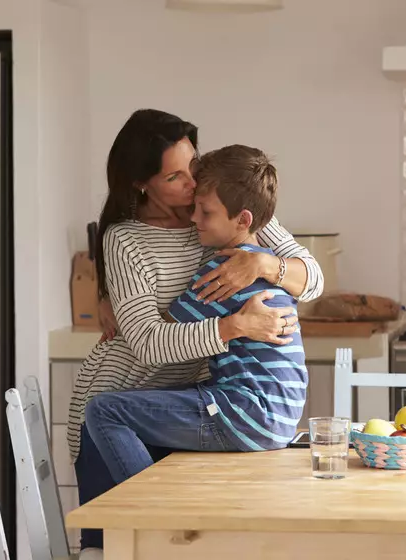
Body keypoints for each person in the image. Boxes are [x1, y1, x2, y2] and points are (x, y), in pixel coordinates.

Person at [68, 109, 324, 556]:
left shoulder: (221, 205)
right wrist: (232, 326)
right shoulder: (126, 240)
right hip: (124, 398)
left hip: (190, 401)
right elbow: (147, 343)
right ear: (140, 183)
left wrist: (265, 264)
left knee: (184, 540)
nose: (192, 185)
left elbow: (314, 279)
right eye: (175, 178)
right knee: (121, 548)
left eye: (193, 166)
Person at [84, 144, 307, 485]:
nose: (193, 218)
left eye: (205, 212)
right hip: (278, 416)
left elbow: (160, 334)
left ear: (243, 220)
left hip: (245, 412)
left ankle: (147, 514)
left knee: (104, 410)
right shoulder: (263, 263)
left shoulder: (223, 274)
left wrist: (121, 302)